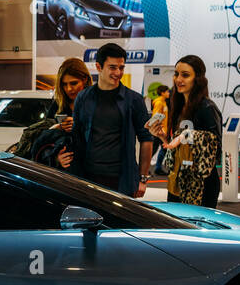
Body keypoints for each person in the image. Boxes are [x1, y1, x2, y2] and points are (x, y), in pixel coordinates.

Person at [67, 43, 152, 197]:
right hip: (88, 177)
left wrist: (143, 178)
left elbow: (146, 138)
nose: (118, 72)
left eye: (121, 68)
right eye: (113, 67)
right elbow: (76, 135)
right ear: (99, 67)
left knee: (119, 222)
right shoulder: (83, 98)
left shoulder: (134, 100)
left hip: (122, 180)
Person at [152, 55, 221, 208]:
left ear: (198, 79)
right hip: (178, 178)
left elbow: (214, 145)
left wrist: (186, 134)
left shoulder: (207, 108)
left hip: (201, 182)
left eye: (185, 75)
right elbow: (179, 146)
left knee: (197, 229)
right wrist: (164, 138)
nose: (178, 79)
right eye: (176, 74)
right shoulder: (176, 105)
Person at [11, 58, 88, 168]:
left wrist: (78, 125)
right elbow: (44, 141)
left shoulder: (94, 102)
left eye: (74, 83)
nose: (69, 88)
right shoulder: (58, 104)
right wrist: (55, 158)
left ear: (84, 79)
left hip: (89, 168)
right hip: (62, 172)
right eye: (64, 84)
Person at [149, 85, 170, 175]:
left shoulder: (163, 102)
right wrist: (158, 130)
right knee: (154, 150)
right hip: (158, 132)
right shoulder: (159, 103)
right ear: (162, 93)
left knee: (164, 149)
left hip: (162, 131)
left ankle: (157, 168)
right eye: (167, 92)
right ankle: (145, 168)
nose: (168, 93)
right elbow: (155, 117)